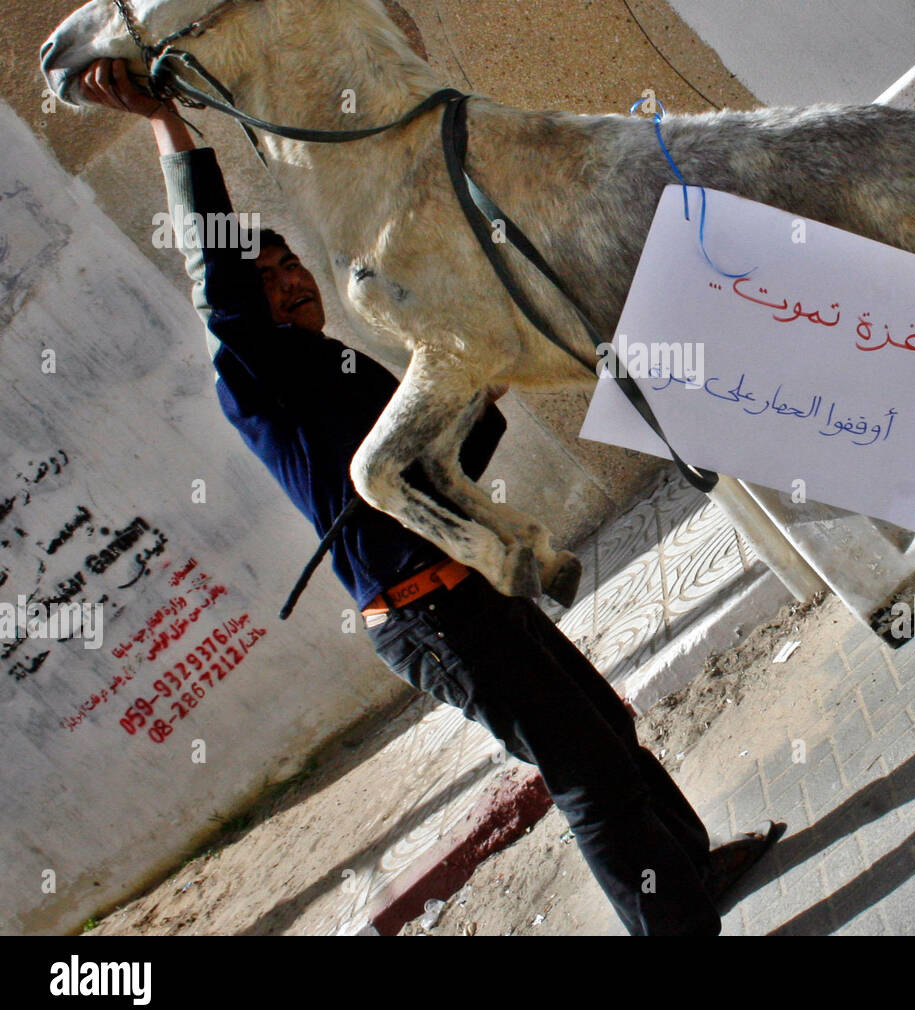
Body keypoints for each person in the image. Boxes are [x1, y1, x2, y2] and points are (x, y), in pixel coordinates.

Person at [77, 58, 782, 936]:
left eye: (290, 261)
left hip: (469, 581)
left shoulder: (346, 369)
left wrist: (486, 390)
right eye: (265, 278)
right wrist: (168, 126)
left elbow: (441, 468)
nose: (289, 279)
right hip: (432, 617)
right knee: (585, 776)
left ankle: (688, 873)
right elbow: (215, 272)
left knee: (604, 728)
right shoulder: (258, 377)